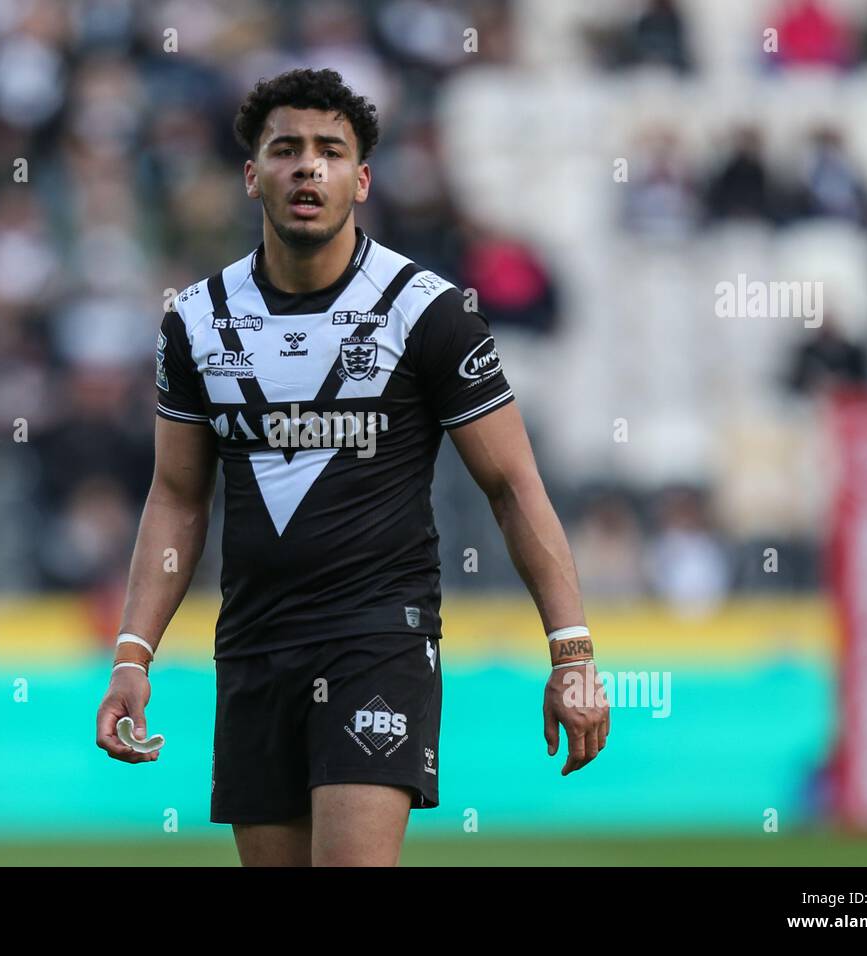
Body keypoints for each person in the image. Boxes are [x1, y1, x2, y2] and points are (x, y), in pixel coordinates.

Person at [95, 68, 608, 866]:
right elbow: (177, 497)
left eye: (331, 151)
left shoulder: (427, 312)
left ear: (361, 179)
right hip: (255, 645)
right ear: (251, 174)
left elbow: (512, 487)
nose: (308, 167)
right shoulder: (195, 322)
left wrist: (571, 654)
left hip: (379, 638)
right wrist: (134, 652)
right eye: (286, 150)